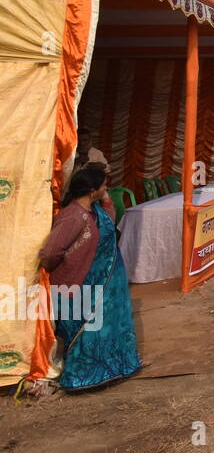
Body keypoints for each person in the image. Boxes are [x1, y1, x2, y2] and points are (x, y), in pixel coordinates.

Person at [38, 166, 142, 392]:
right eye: (103, 186)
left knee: (104, 328)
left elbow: (108, 225)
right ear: (91, 190)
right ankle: (82, 377)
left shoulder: (93, 210)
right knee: (86, 331)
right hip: (78, 285)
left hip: (101, 286)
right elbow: (50, 253)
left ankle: (110, 368)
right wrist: (66, 269)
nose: (107, 189)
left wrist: (105, 199)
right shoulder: (73, 216)